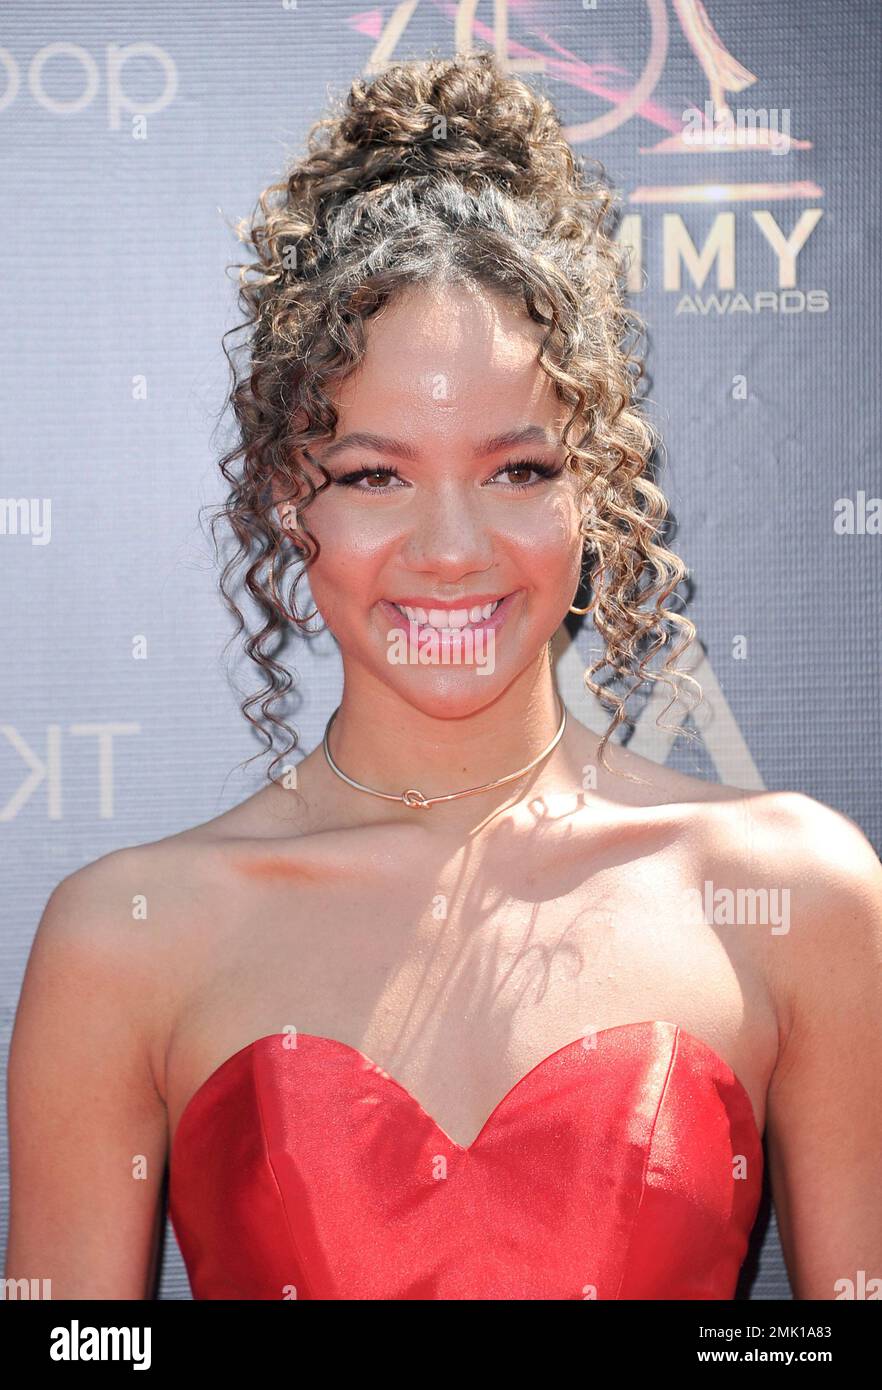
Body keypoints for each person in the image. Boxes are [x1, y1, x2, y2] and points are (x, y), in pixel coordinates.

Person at [5, 52, 881, 1302]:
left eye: (519, 470)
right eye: (374, 475)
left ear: (599, 484)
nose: (455, 551)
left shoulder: (798, 894)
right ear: (280, 491)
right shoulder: (125, 941)